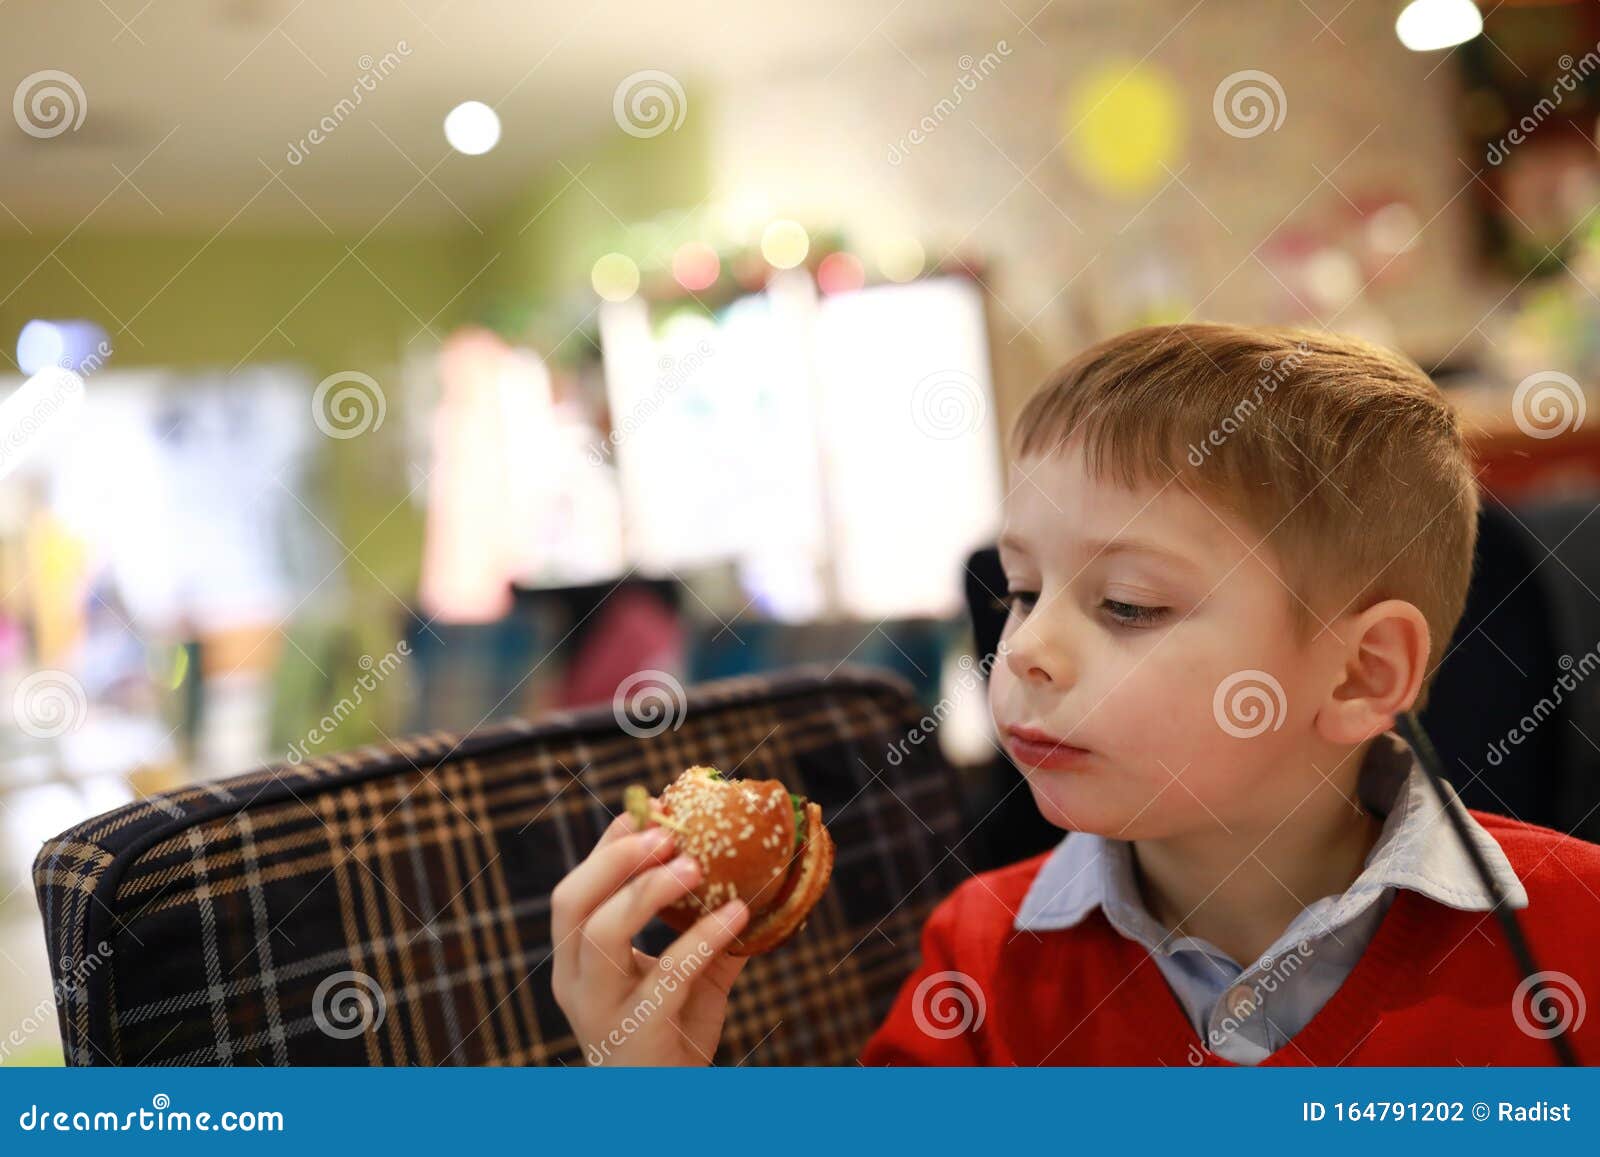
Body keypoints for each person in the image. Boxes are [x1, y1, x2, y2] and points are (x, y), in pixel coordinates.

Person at [553, 323, 1600, 1065]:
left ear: (1361, 672)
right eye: (1019, 590)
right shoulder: (978, 963)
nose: (1025, 649)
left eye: (1130, 604)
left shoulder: (1577, 931)